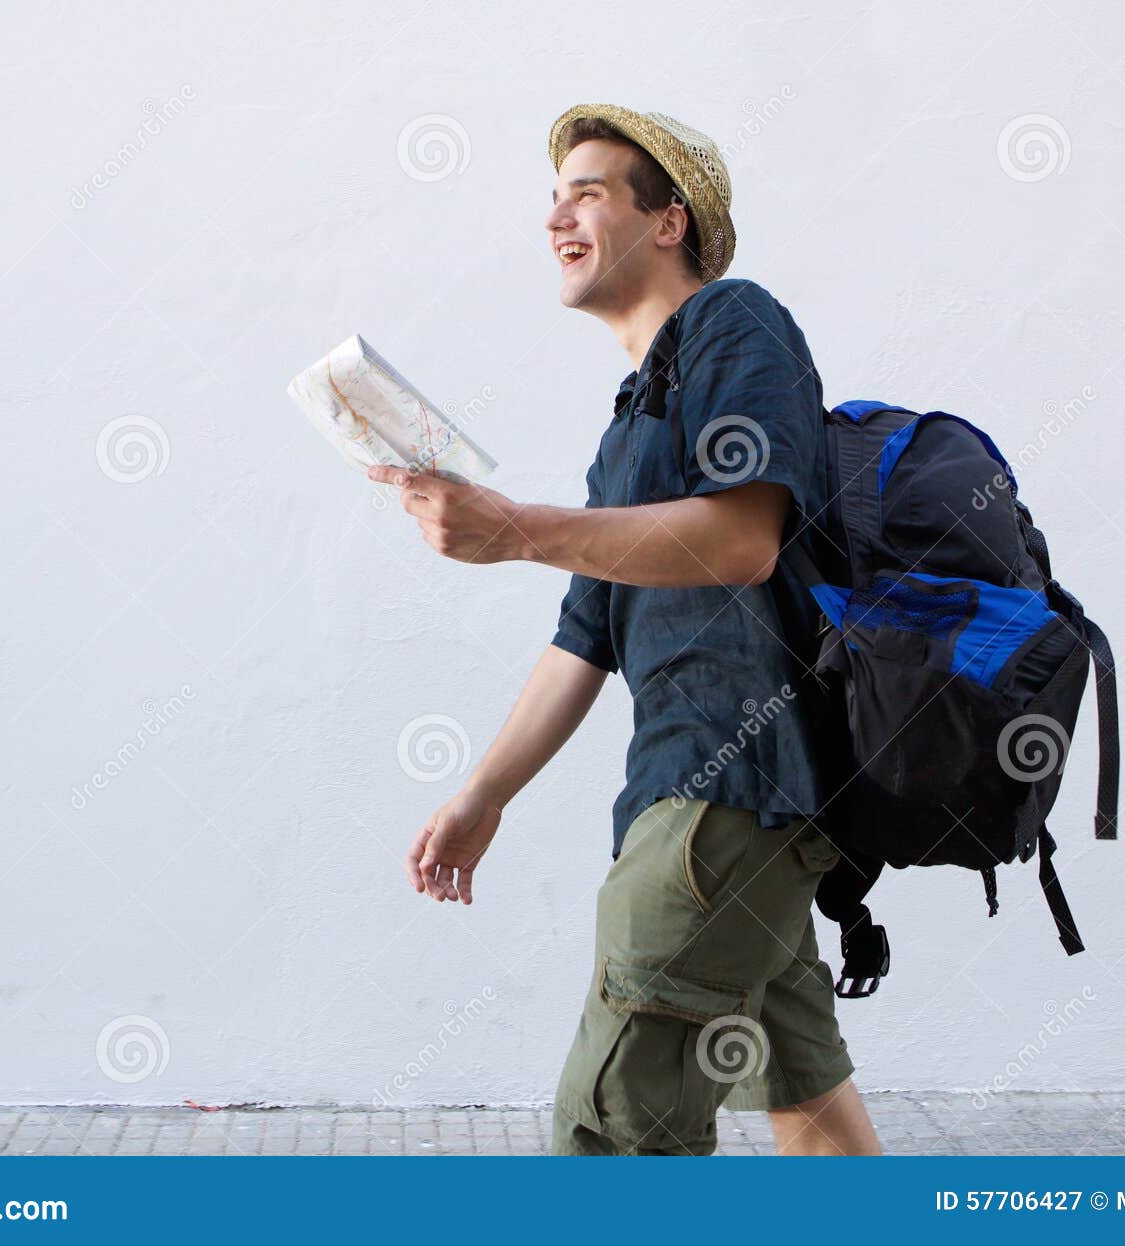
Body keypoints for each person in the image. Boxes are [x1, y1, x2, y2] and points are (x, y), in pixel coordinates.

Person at [366, 103, 881, 1157]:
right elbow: (581, 643)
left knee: (609, 1137)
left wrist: (513, 528)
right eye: (552, 199)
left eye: (588, 192)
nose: (557, 216)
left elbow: (742, 539)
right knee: (817, 1123)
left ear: (669, 221)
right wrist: (480, 797)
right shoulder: (627, 429)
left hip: (726, 801)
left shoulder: (735, 325)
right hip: (719, 811)